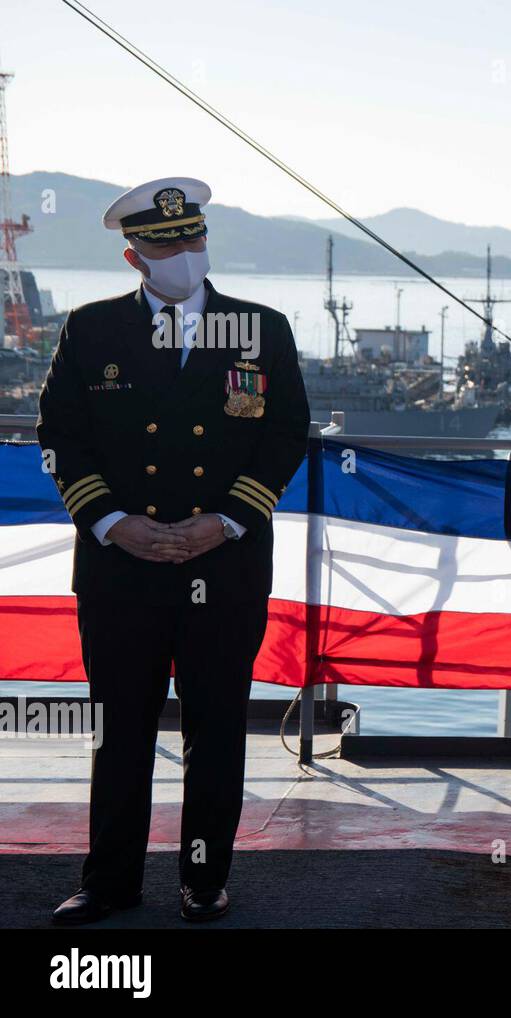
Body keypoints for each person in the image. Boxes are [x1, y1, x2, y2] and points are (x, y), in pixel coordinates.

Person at [37, 177, 309, 923]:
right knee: (118, 728)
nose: (186, 253)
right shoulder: (90, 332)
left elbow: (286, 436)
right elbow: (60, 437)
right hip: (121, 565)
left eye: (194, 238)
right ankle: (109, 881)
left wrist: (223, 522)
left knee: (215, 726)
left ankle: (203, 877)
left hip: (223, 563)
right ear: (135, 256)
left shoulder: (262, 328)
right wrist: (113, 521)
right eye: (167, 244)